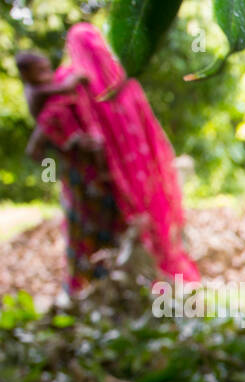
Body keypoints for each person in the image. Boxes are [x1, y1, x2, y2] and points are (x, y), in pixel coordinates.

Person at [19, 23, 197, 295]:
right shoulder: (125, 83)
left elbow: (46, 132)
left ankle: (92, 291)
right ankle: (134, 288)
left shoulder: (71, 82)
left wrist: (65, 149)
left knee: (90, 242)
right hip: (132, 188)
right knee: (123, 239)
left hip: (89, 185)